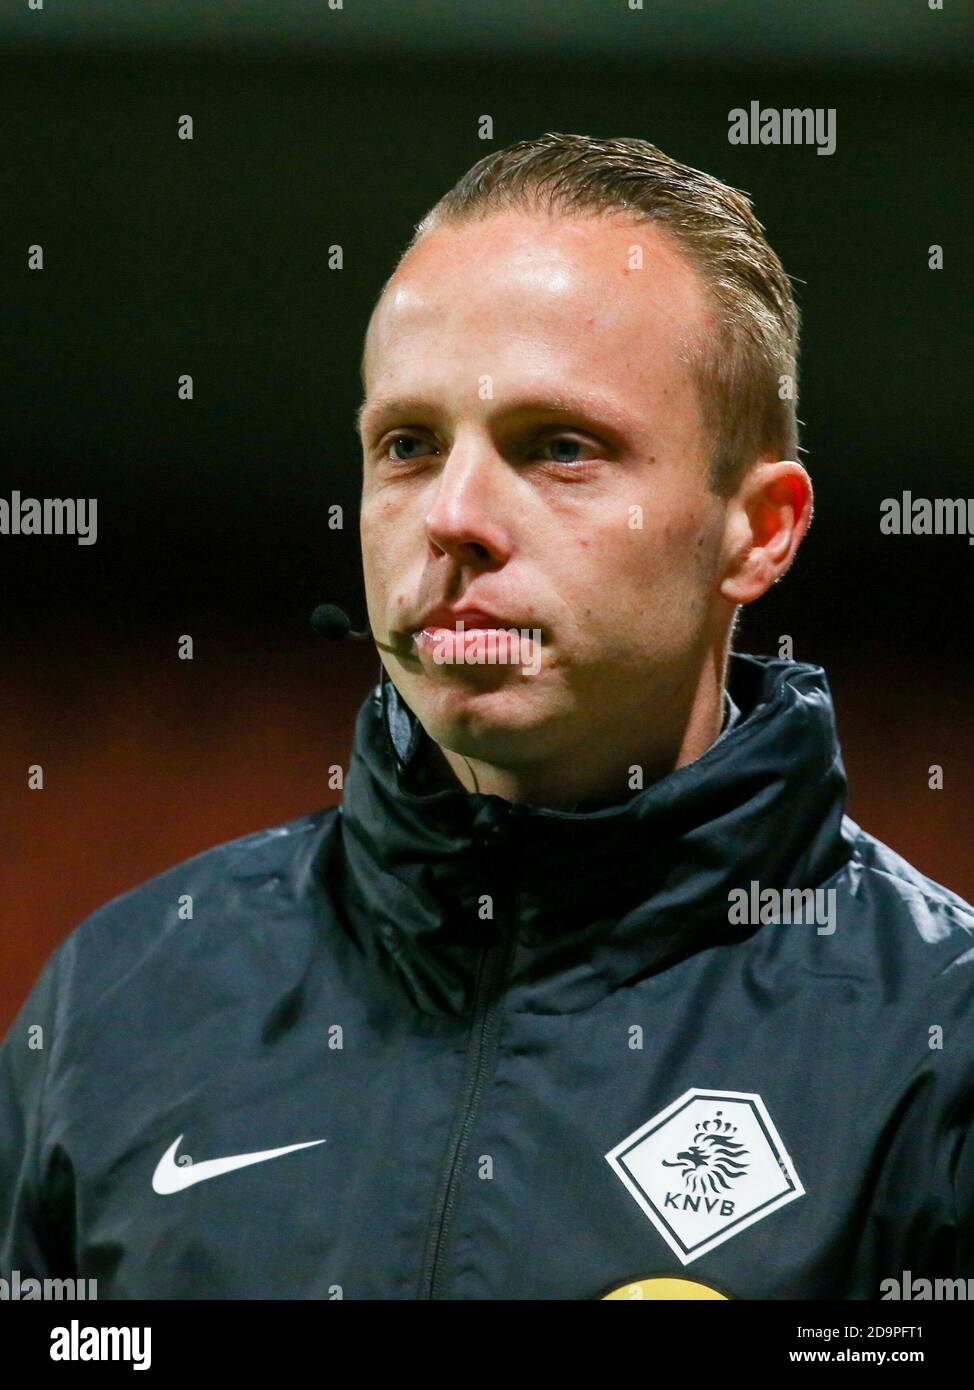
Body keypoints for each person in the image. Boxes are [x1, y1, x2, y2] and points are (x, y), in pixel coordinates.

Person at [2, 132, 973, 1302]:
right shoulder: (118, 999)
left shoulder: (936, 1045)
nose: (453, 515)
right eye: (406, 446)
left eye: (558, 448)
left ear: (756, 529)